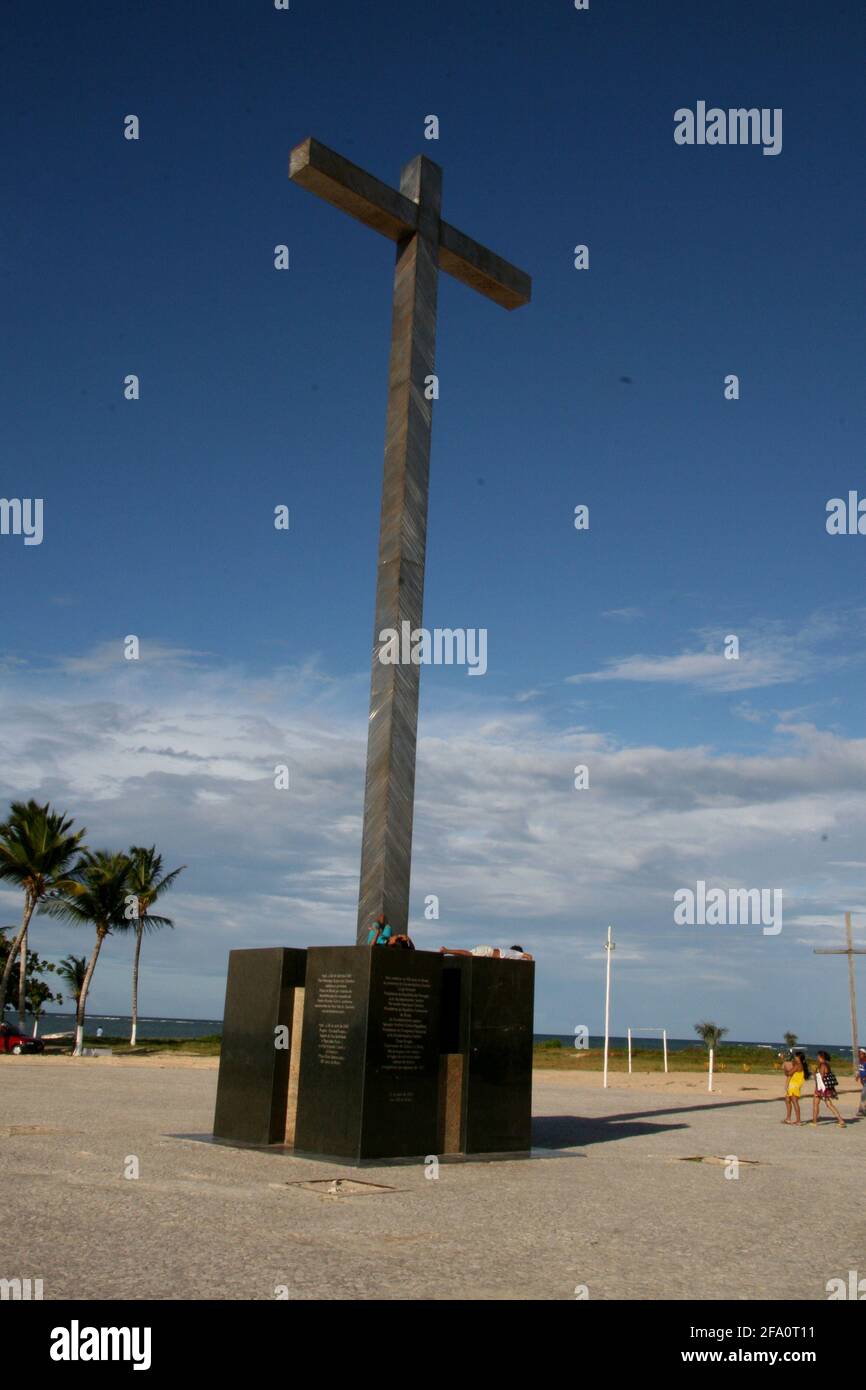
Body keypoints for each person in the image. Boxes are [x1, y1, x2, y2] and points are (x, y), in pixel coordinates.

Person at [811, 1050, 846, 1127]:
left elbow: (820, 1077)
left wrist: (814, 1073)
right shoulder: (827, 1064)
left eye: (818, 1056)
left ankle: (814, 1122)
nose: (817, 1057)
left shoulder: (822, 1065)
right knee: (828, 1104)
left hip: (821, 1088)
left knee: (817, 1104)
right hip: (825, 1088)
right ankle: (840, 1120)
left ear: (821, 1057)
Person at [783, 1051, 809, 1125]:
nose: (794, 1057)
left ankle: (798, 1120)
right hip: (794, 1085)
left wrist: (784, 1068)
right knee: (787, 1100)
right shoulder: (800, 1064)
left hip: (794, 1086)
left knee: (795, 1102)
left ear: (798, 1057)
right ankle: (788, 1118)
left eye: (795, 1056)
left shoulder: (798, 1065)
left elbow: (789, 1073)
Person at [438, 944, 533, 961]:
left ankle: (447, 950)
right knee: (469, 954)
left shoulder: (510, 954)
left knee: (469, 955)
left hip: (487, 952)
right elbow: (529, 956)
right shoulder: (517, 954)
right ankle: (446, 950)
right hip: (487, 952)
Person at [856, 1047, 866, 1118]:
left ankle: (861, 1111)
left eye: (861, 1054)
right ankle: (862, 1110)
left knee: (863, 1095)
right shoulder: (860, 1061)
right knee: (864, 1096)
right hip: (863, 1081)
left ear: (864, 1054)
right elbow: (861, 1070)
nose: (859, 1055)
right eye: (859, 1054)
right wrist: (858, 1076)